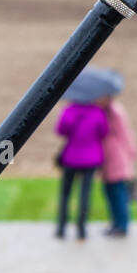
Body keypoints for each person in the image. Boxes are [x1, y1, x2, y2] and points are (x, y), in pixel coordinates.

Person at [54, 100, 109, 239]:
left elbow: (60, 130)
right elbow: (104, 132)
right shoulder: (97, 111)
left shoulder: (69, 110)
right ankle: (81, 229)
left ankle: (61, 228)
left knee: (65, 194)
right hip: (91, 159)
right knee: (85, 194)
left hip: (71, 157)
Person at [99, 96, 137, 237]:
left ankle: (122, 225)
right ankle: (116, 223)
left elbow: (125, 133)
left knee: (118, 193)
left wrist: (131, 153)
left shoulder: (115, 111)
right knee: (111, 192)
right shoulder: (106, 110)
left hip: (117, 156)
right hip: (109, 156)